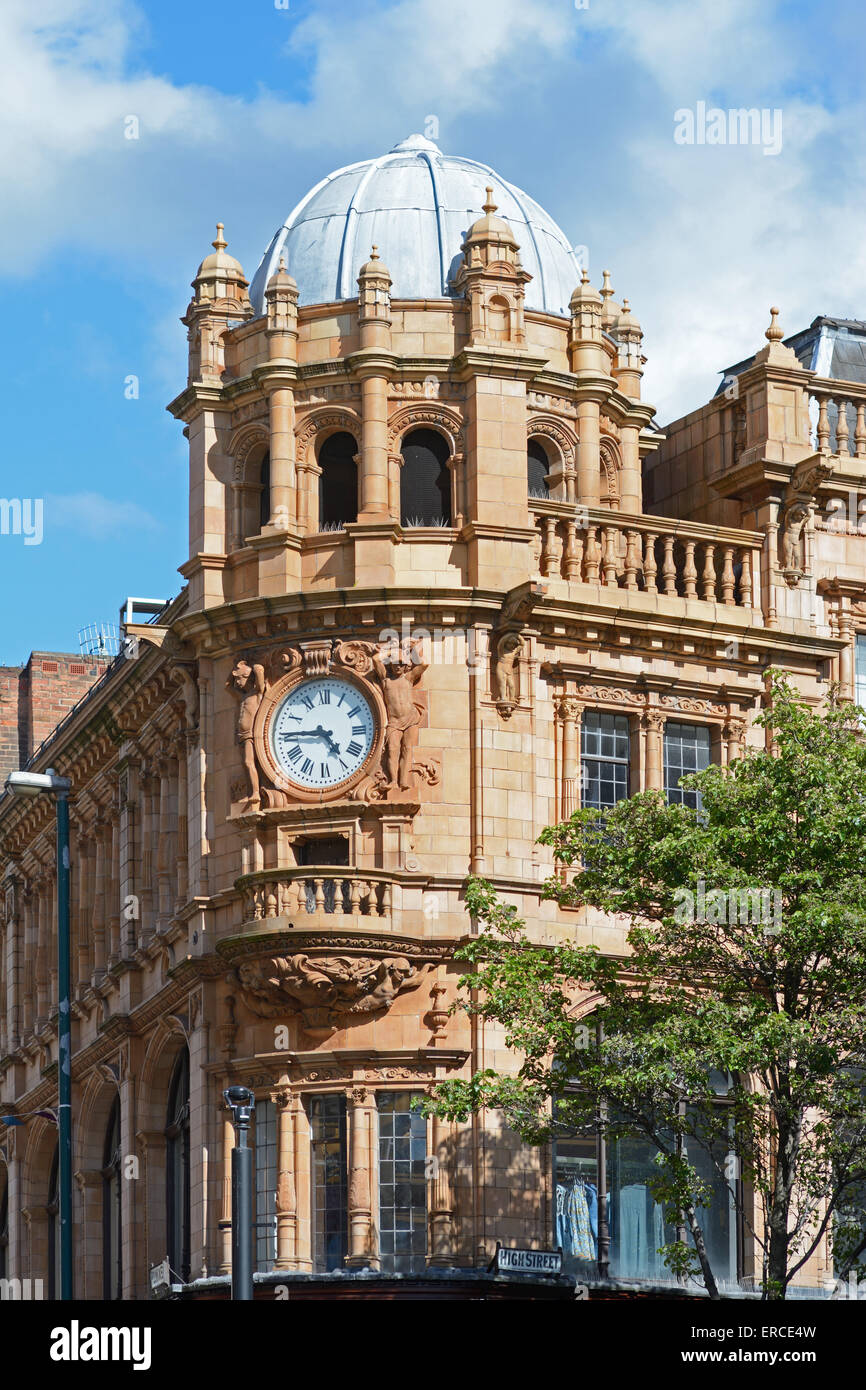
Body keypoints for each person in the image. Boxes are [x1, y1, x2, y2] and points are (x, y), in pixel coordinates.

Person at [372, 639, 428, 790]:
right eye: (396, 663)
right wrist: (393, 651)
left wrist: (412, 650)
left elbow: (424, 665)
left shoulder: (408, 678)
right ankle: (394, 781)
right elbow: (376, 659)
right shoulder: (386, 680)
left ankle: (403, 780)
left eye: (401, 664)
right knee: (393, 750)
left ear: (405, 666)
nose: (398, 667)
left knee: (407, 749)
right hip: (395, 722)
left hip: (410, 718)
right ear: (391, 664)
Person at [226, 658, 265, 801]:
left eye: (240, 679)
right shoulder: (243, 697)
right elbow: (227, 687)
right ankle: (250, 791)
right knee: (245, 763)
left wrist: (254, 667)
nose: (237, 683)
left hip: (251, 735)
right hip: (241, 735)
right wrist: (235, 669)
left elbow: (260, 675)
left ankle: (255, 793)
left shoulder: (256, 694)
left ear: (248, 679)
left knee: (249, 762)